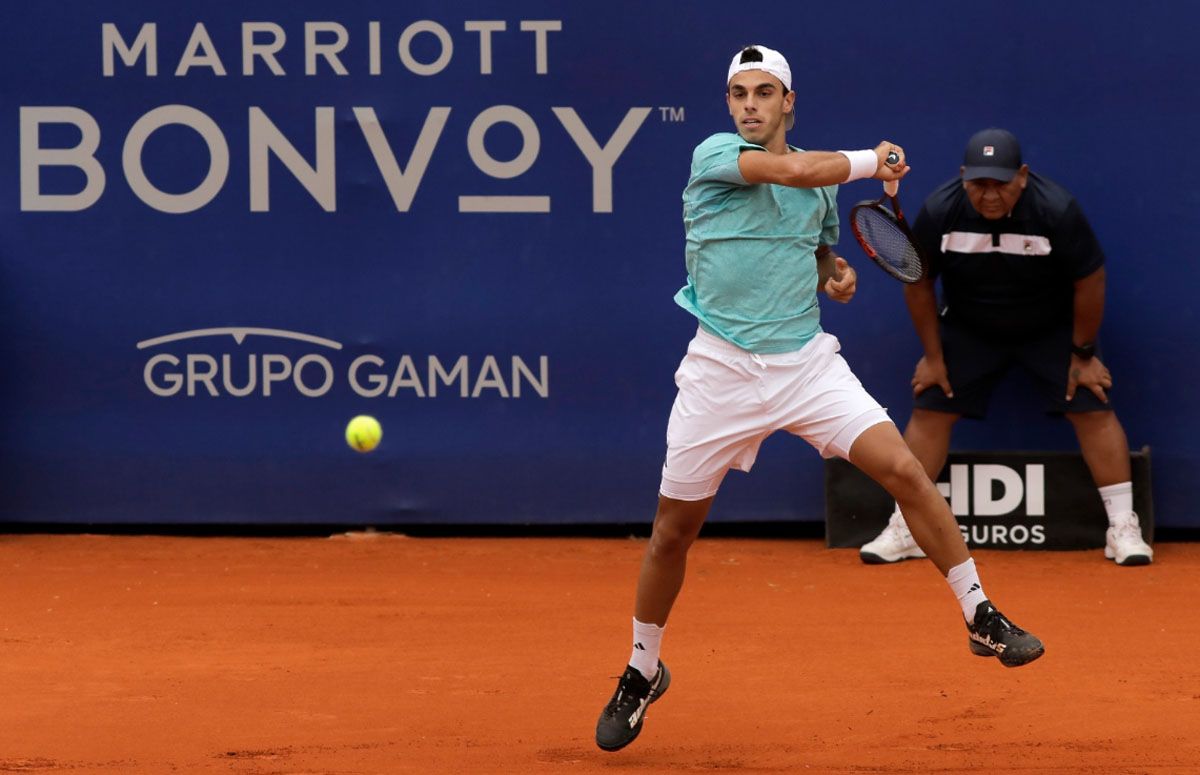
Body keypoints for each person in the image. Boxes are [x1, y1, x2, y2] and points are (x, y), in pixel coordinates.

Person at [595, 47, 1044, 754]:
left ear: (788, 103)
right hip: (720, 369)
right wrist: (875, 158)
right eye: (739, 93)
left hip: (806, 365)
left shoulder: (819, 186)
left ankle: (979, 611)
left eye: (764, 93)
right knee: (671, 532)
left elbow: (817, 250)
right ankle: (642, 668)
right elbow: (797, 169)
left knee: (904, 470)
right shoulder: (715, 153)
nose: (749, 105)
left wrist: (832, 275)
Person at [859, 128, 1153, 568]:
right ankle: (907, 527)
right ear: (963, 177)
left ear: (1023, 176)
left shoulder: (1056, 209)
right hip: (968, 328)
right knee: (930, 408)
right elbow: (918, 283)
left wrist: (1083, 354)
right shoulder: (941, 210)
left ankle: (1123, 528)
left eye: (1000, 183)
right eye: (979, 183)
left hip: (1050, 329)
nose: (989, 194)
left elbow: (1090, 280)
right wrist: (935, 357)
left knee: (1092, 403)